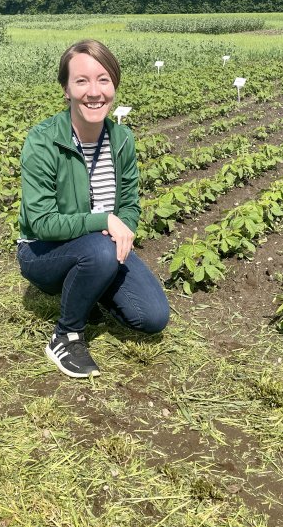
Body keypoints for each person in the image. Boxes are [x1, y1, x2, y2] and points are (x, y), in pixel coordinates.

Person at [16, 39, 170, 378]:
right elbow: (41, 222)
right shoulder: (43, 140)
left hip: (101, 246)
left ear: (114, 85)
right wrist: (104, 222)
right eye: (82, 81)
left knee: (152, 317)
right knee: (99, 250)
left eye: (103, 79)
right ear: (66, 89)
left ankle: (91, 286)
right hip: (43, 252)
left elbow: (129, 204)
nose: (94, 92)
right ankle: (66, 336)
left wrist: (120, 228)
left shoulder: (122, 139)